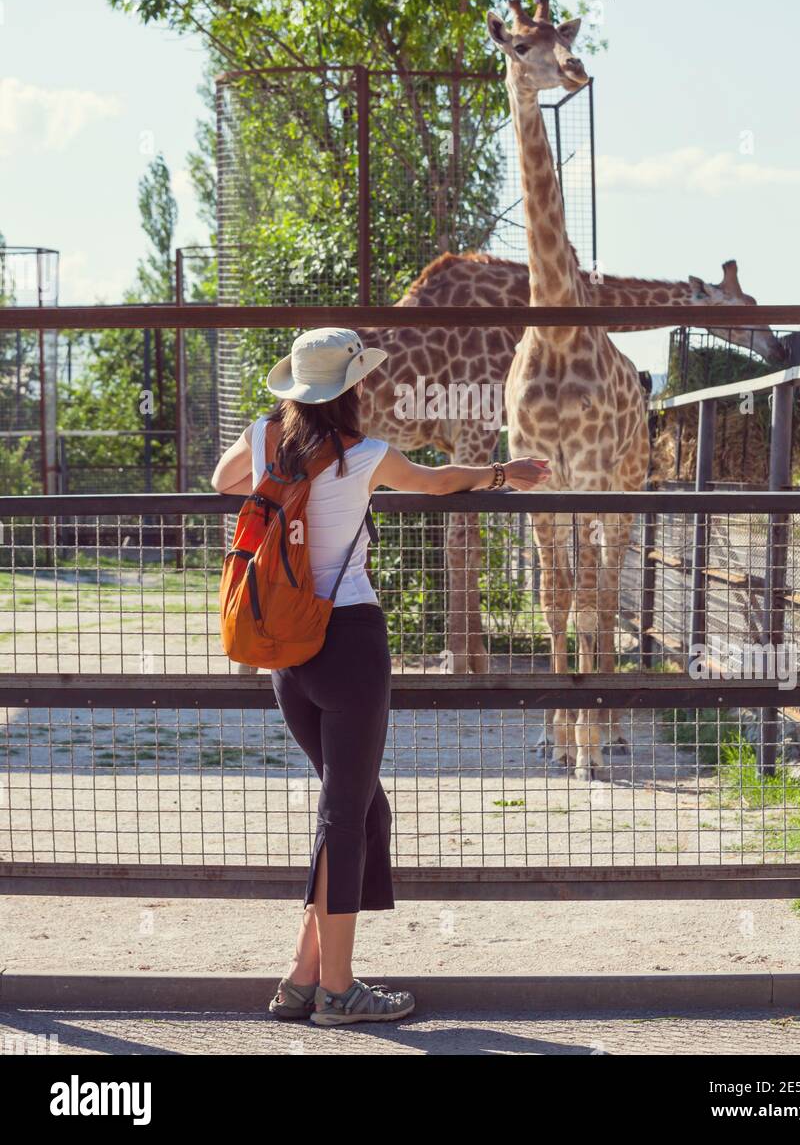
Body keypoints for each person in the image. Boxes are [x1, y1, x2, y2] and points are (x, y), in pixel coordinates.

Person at [211, 327, 551, 1027]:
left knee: (363, 810)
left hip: (286, 652)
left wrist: (278, 459)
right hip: (350, 645)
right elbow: (437, 481)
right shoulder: (366, 456)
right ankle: (339, 990)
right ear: (350, 389)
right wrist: (501, 473)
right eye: (359, 380)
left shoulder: (264, 435)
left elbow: (224, 482)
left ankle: (303, 977)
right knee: (346, 815)